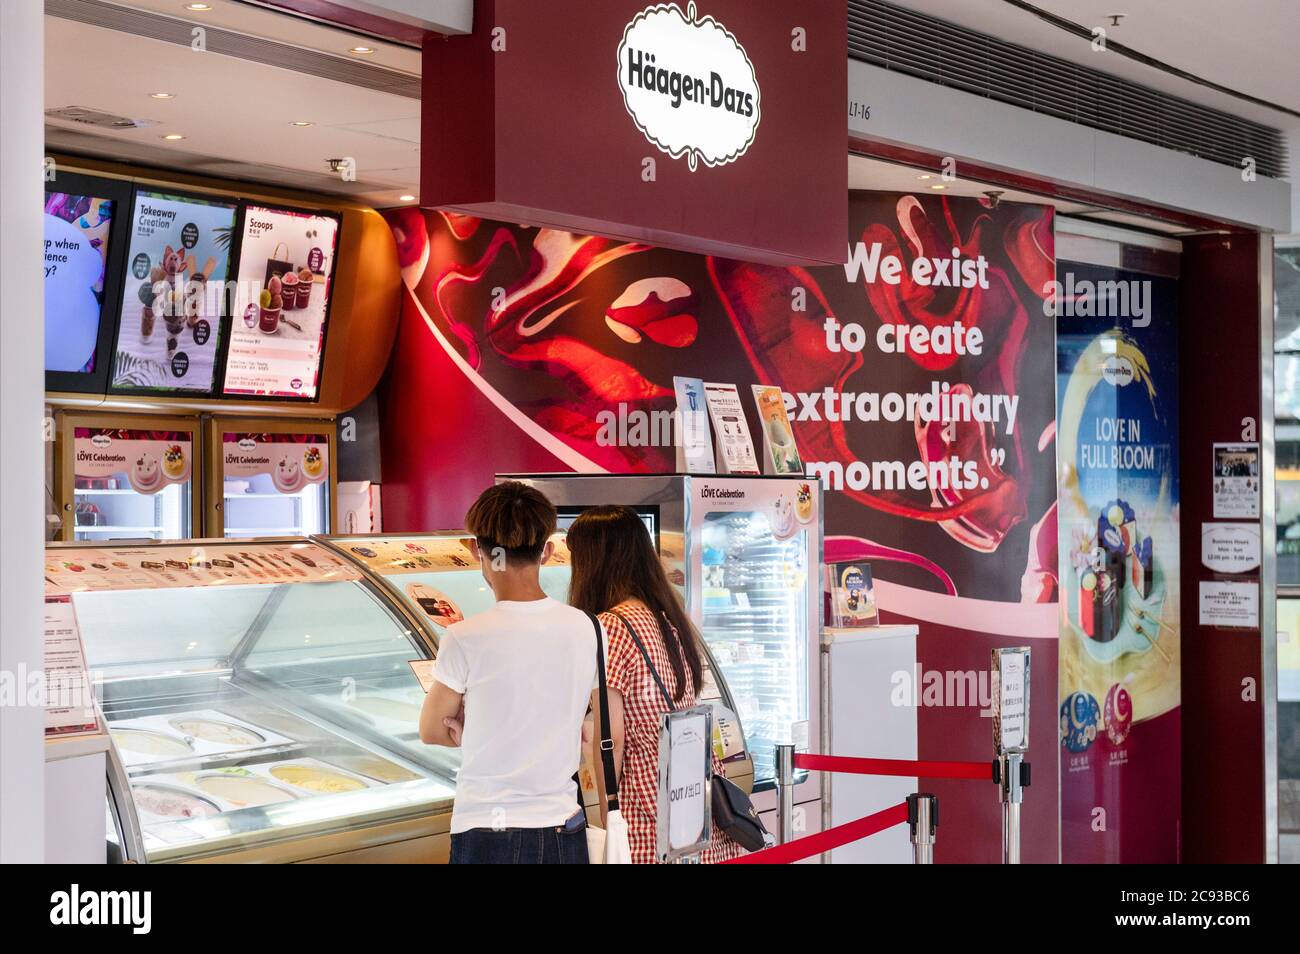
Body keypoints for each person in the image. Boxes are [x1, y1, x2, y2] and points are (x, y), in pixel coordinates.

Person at [419, 481, 597, 864]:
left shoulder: (464, 636)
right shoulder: (585, 626)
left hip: (488, 832)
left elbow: (432, 729)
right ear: (548, 552)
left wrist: (477, 730)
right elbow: (575, 714)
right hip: (564, 829)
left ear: (475, 550)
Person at [567, 505, 742, 864]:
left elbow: (610, 737)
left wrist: (607, 814)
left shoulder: (610, 626)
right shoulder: (663, 615)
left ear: (593, 561)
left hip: (648, 810)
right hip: (690, 801)